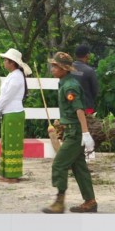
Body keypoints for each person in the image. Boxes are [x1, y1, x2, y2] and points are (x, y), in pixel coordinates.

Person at [42, 52, 97, 214]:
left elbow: (79, 109)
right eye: (52, 65)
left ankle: (59, 202)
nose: (52, 68)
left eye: (56, 66)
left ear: (64, 69)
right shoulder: (64, 83)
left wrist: (85, 133)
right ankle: (90, 201)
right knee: (79, 167)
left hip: (75, 133)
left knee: (59, 164)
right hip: (72, 131)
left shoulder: (70, 86)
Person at [0, 48, 31, 183]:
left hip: (13, 112)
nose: (4, 62)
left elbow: (6, 96)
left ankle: (12, 175)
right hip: (9, 112)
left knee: (12, 144)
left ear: (12, 62)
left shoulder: (16, 77)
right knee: (7, 143)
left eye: (5, 60)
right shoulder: (13, 75)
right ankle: (6, 173)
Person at [71, 45, 99, 116]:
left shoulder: (68, 69)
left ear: (75, 55)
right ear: (87, 55)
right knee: (89, 125)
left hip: (70, 106)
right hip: (87, 107)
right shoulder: (89, 71)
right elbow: (95, 90)